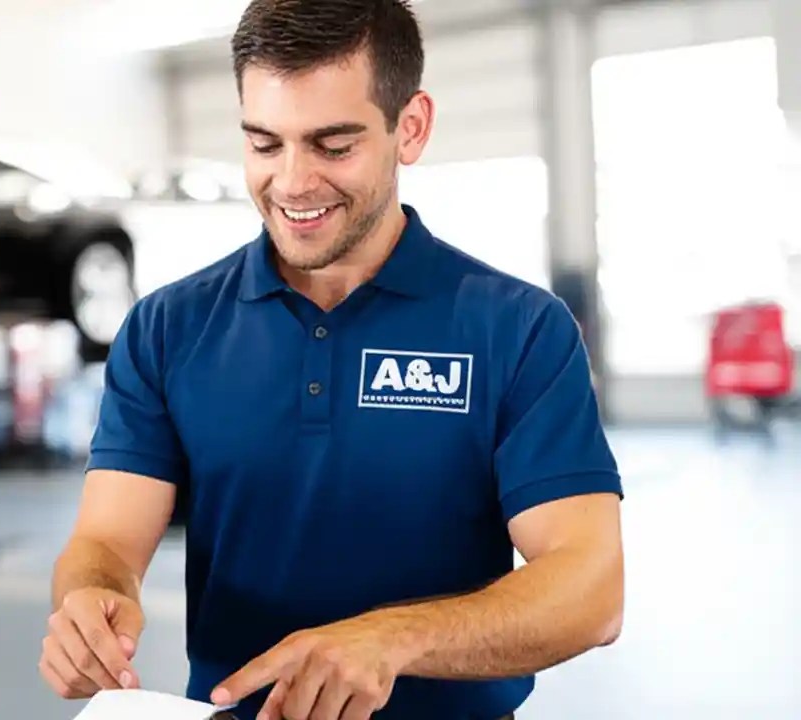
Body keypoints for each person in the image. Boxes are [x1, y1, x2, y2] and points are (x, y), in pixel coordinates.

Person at [40, 1, 625, 718]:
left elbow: (589, 587)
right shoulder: (167, 328)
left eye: (333, 145)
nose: (291, 182)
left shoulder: (519, 329)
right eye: (264, 144)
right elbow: (104, 539)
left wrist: (393, 639)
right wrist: (90, 599)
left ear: (409, 128)